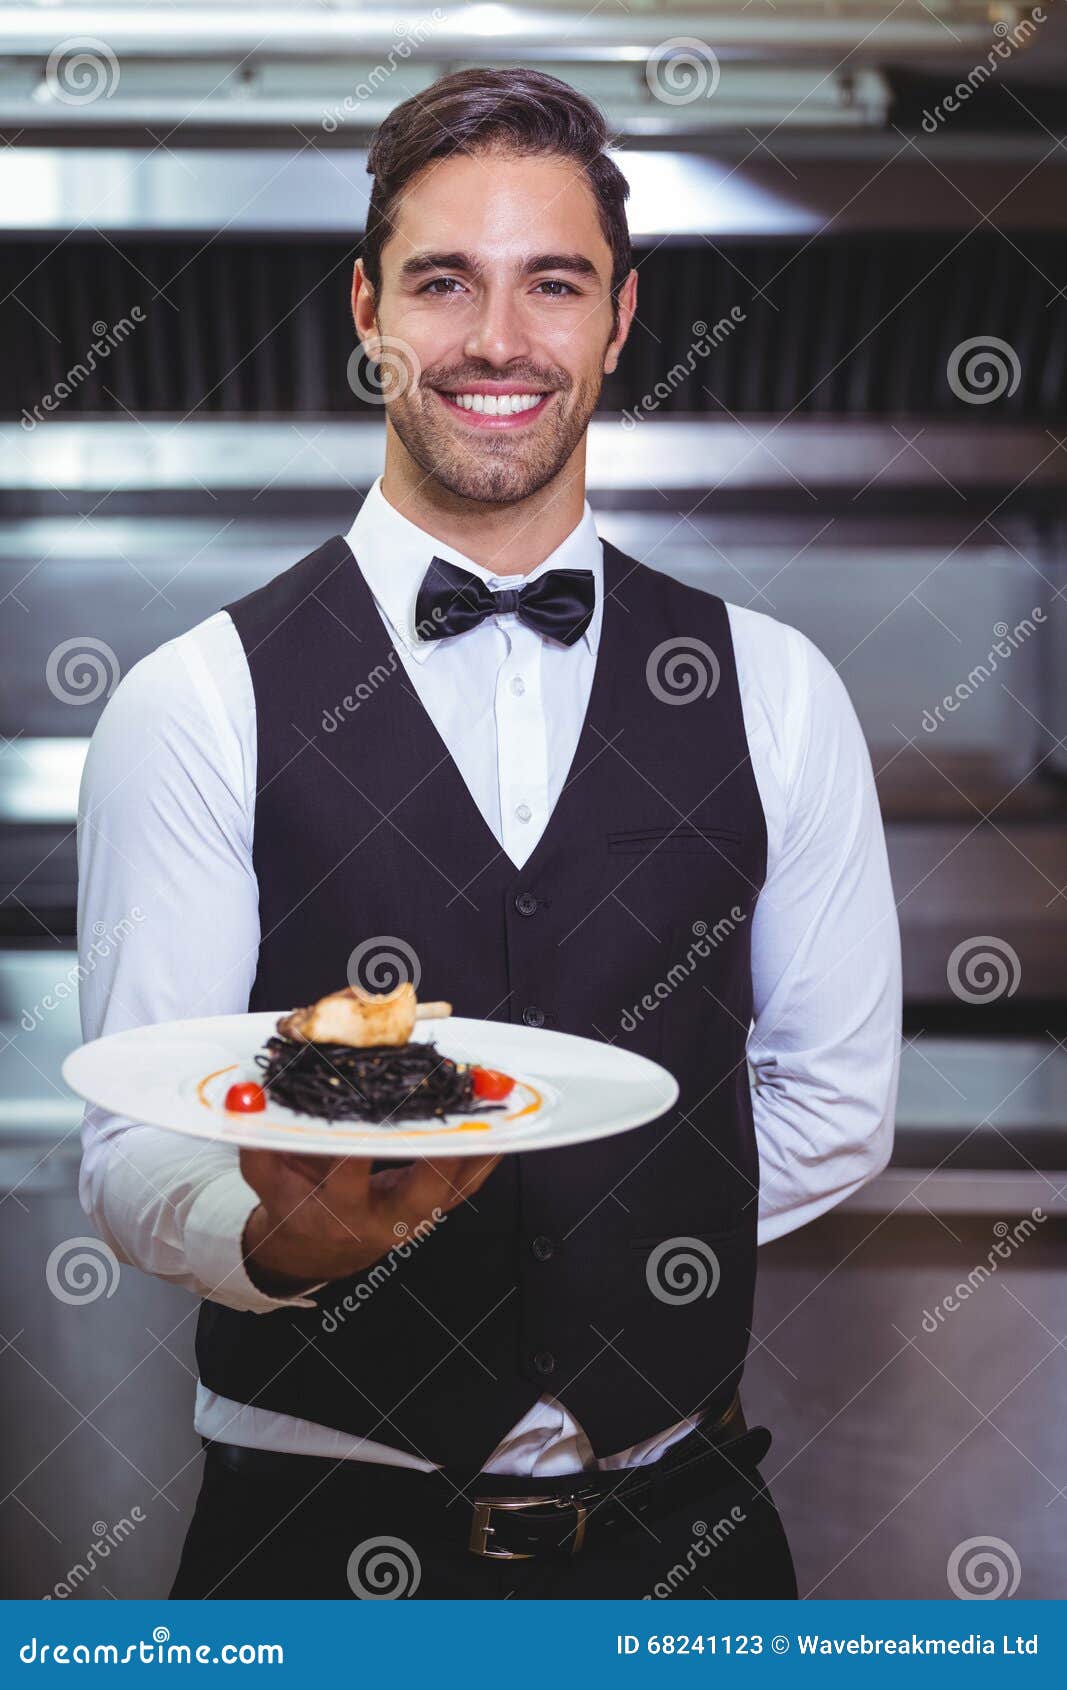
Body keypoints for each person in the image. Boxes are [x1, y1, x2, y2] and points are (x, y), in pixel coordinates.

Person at [76, 66, 901, 1600]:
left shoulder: (780, 693)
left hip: (685, 1542)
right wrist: (287, 1244)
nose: (501, 341)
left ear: (621, 317)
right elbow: (136, 1149)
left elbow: (838, 1102)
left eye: (555, 284)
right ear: (367, 312)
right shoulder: (193, 703)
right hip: (312, 1552)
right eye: (444, 281)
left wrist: (603, 1218)